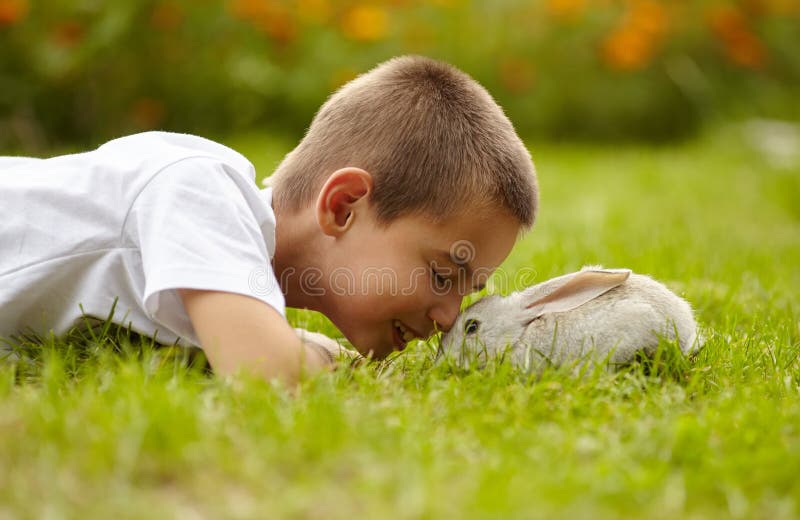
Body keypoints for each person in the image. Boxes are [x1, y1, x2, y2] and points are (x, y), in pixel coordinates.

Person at [0, 56, 538, 384]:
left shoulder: (223, 283)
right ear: (343, 205)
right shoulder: (200, 188)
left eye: (464, 292)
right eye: (443, 275)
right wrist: (317, 358)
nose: (448, 317)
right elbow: (267, 375)